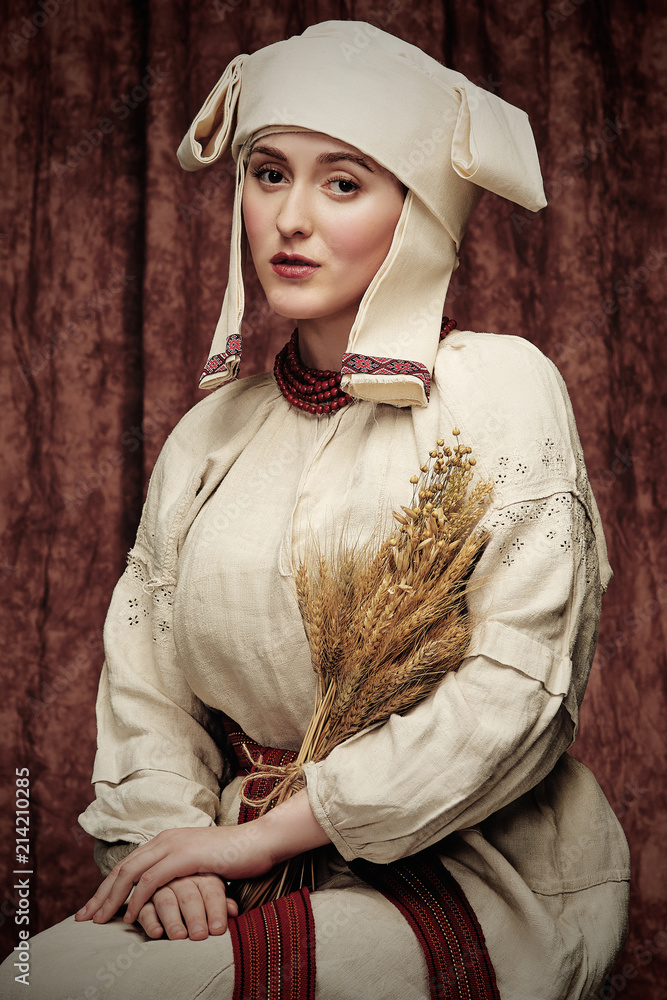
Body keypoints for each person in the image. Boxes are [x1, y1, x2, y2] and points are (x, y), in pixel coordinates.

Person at [0, 20, 630, 1000]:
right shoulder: (210, 437)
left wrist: (252, 839)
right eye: (267, 173)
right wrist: (181, 846)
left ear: (414, 208)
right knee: (34, 978)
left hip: (463, 873)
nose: (290, 218)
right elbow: (147, 692)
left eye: (342, 182)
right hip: (227, 852)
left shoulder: (500, 390)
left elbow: (511, 697)